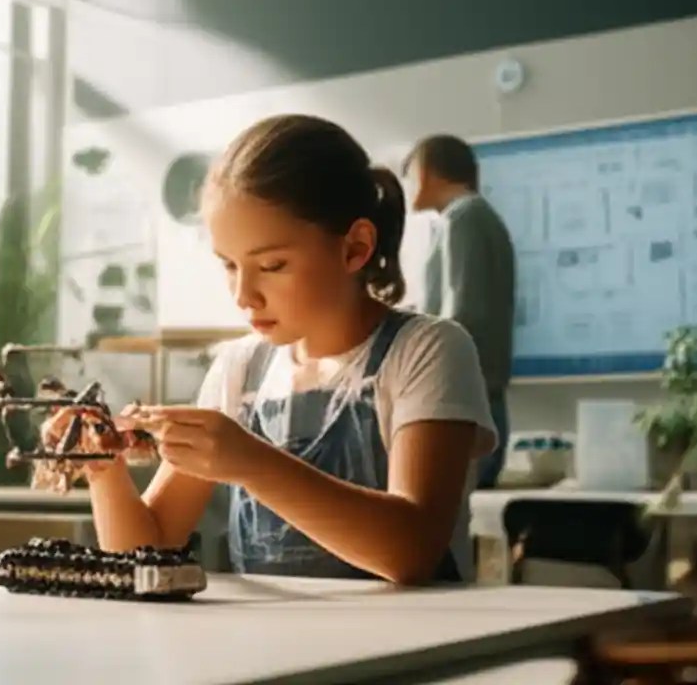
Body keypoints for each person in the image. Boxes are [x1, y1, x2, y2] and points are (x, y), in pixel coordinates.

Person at [52, 114, 496, 584]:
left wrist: (250, 461)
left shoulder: (427, 351)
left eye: (272, 265)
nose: (244, 295)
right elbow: (146, 549)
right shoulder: (240, 369)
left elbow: (410, 552)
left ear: (355, 248)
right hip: (273, 649)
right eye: (229, 266)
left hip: (414, 648)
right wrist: (103, 469)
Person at [401, 135, 514, 491]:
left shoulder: (462, 217)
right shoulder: (475, 217)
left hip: (464, 407)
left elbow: (460, 314)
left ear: (426, 173)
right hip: (478, 403)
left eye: (409, 176)